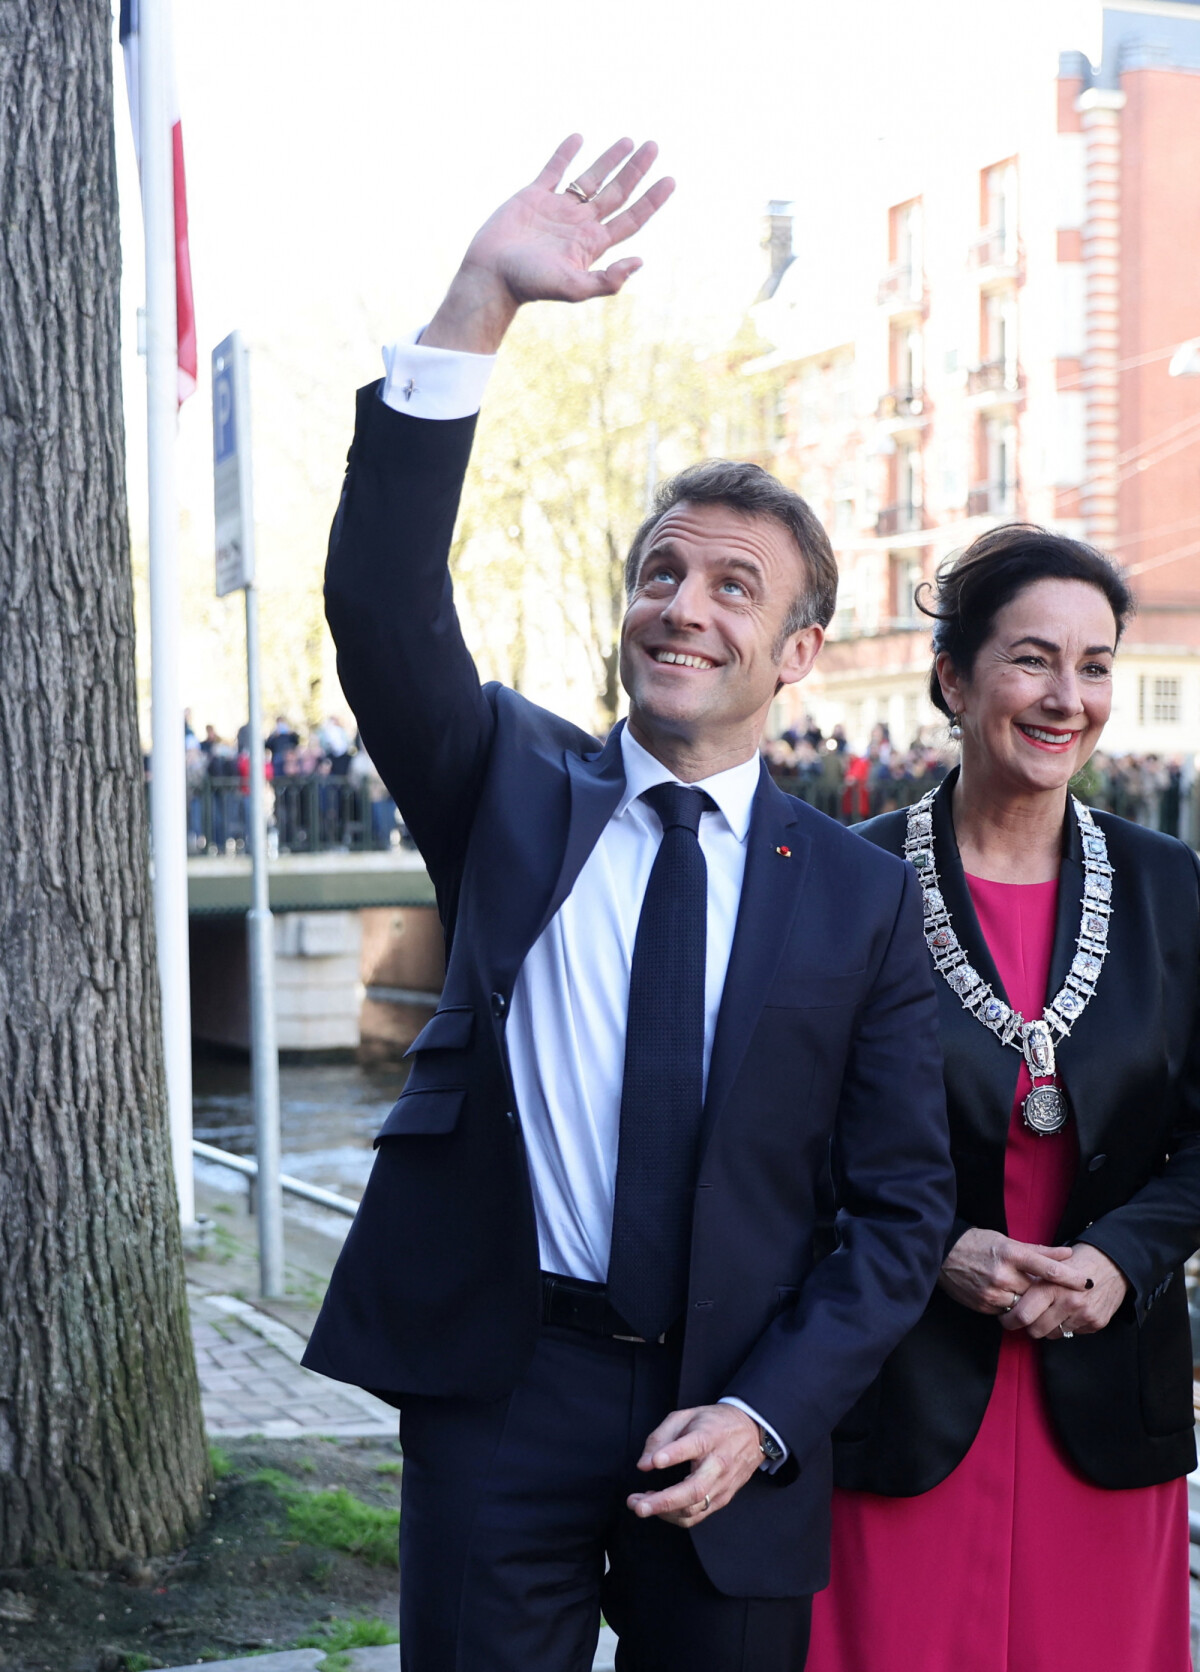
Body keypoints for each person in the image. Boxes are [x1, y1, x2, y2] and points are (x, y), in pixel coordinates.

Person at [301, 134, 955, 1672]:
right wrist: (480, 301)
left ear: (798, 654)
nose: (687, 603)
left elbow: (903, 1207)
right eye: (664, 571)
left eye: (737, 586)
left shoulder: (861, 899)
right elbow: (383, 602)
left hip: (735, 1410)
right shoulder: (506, 789)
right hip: (507, 1392)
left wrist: (768, 1415)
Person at [807, 525, 1200, 1672]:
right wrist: (933, 1248)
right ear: (952, 676)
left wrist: (1122, 1259)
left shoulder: (1172, 887)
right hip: (902, 1395)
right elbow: (778, 1145)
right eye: (1032, 659)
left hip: (1108, 1399)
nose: (1066, 698)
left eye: (1094, 665)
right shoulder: (846, 879)